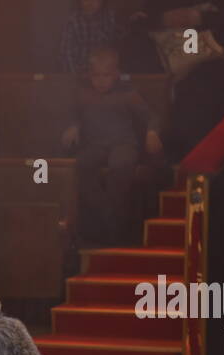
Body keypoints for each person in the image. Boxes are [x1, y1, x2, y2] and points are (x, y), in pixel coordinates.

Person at [62, 47, 162, 246]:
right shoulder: (83, 94)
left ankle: (114, 227)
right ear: (89, 75)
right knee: (81, 166)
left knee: (121, 166)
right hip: (95, 145)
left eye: (106, 75)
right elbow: (74, 115)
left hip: (123, 143)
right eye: (96, 75)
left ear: (116, 75)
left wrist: (152, 132)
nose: (100, 80)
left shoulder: (127, 94)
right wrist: (73, 127)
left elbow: (151, 117)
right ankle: (108, 213)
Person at [60, 0, 124, 76]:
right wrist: (75, 76)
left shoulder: (110, 17)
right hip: (81, 73)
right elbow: (67, 54)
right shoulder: (73, 22)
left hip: (106, 72)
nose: (90, 2)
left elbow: (120, 44)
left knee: (125, 78)